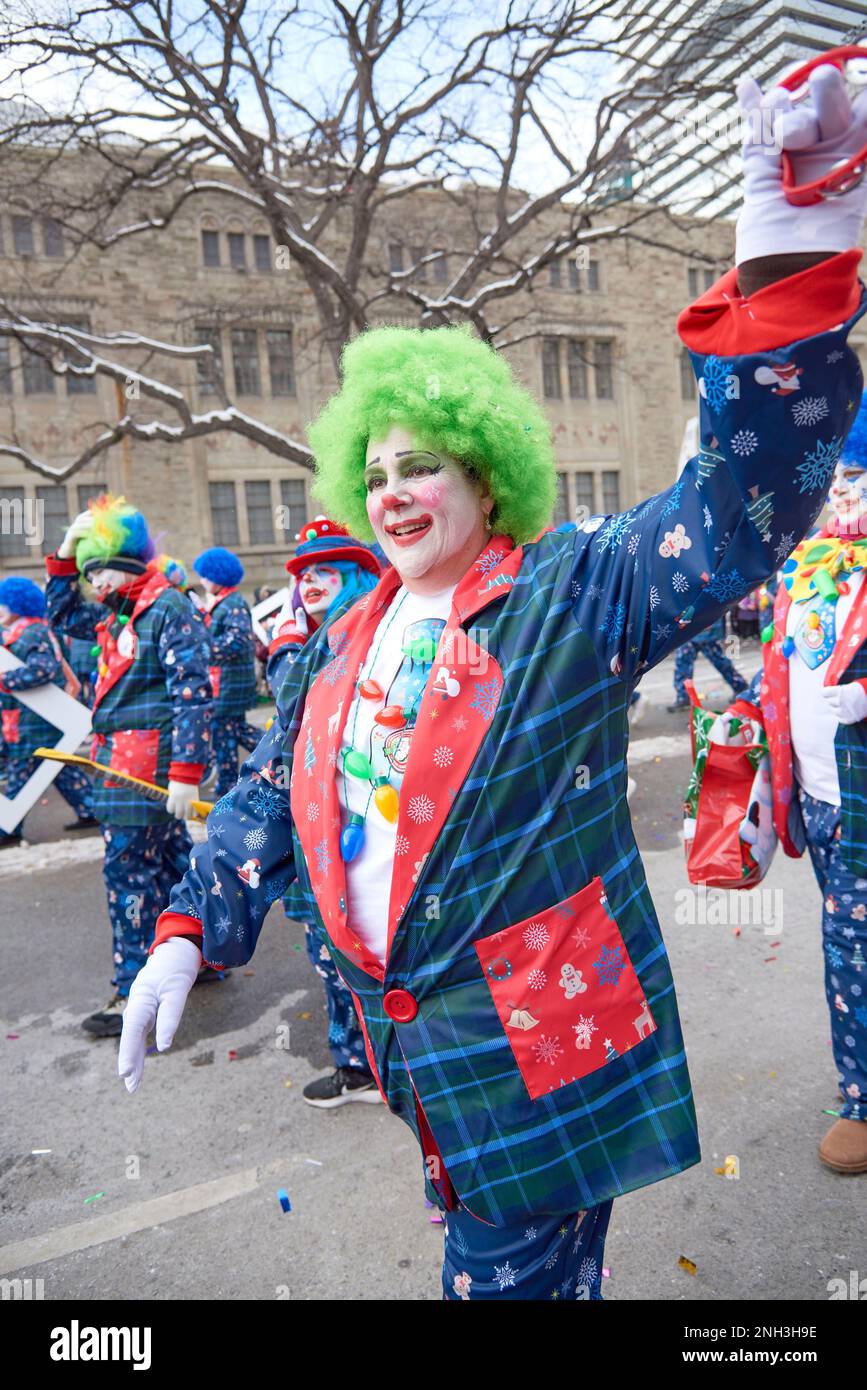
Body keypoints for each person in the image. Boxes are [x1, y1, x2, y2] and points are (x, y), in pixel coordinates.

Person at [119, 66, 867, 1298]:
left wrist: (787, 260)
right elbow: (271, 787)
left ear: (486, 475)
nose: (395, 491)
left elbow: (736, 511)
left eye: (424, 464)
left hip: (542, 1043)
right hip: (427, 1062)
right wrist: (191, 931)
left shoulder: (572, 592)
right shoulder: (346, 631)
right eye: (376, 470)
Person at [742, 398, 867, 1174]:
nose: (845, 495)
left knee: (850, 951)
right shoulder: (801, 572)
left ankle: (860, 1098)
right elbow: (782, 669)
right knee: (845, 945)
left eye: (858, 476)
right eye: (835, 480)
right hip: (816, 800)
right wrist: (749, 739)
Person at [46, 495, 213, 1036]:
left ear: (128, 564)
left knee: (129, 879)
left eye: (99, 570)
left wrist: (186, 772)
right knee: (170, 867)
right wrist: (64, 556)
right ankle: (198, 954)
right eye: (87, 573)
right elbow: (62, 613)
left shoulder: (165, 608)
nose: (92, 583)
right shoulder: (117, 610)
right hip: (125, 770)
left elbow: (192, 694)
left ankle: (132, 988)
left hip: (145, 774)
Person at [266, 516, 383, 1106]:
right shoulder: (307, 643)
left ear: (358, 575)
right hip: (320, 829)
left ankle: (371, 1065)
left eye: (324, 571)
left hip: (360, 827)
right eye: (304, 574)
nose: (310, 582)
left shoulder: (368, 637)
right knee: (331, 950)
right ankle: (363, 1064)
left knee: (351, 951)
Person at [0, 576, 94, 845]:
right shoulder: (25, 631)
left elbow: (42, 670)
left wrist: (3, 679)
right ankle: (90, 808)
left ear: (16, 605)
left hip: (36, 721)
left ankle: (7, 827)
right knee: (62, 769)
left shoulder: (33, 632)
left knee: (22, 773)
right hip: (31, 719)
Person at [193, 547, 259, 799]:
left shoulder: (233, 603)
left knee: (224, 733)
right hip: (227, 682)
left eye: (205, 576)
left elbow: (238, 640)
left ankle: (227, 785)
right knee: (232, 731)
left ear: (217, 576)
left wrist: (204, 649)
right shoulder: (226, 602)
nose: (201, 581)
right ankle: (231, 781)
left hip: (230, 684)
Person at [668, 615, 748, 711]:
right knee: (682, 663)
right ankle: (683, 696)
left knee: (719, 660)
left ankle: (740, 686)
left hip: (707, 626)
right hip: (687, 628)